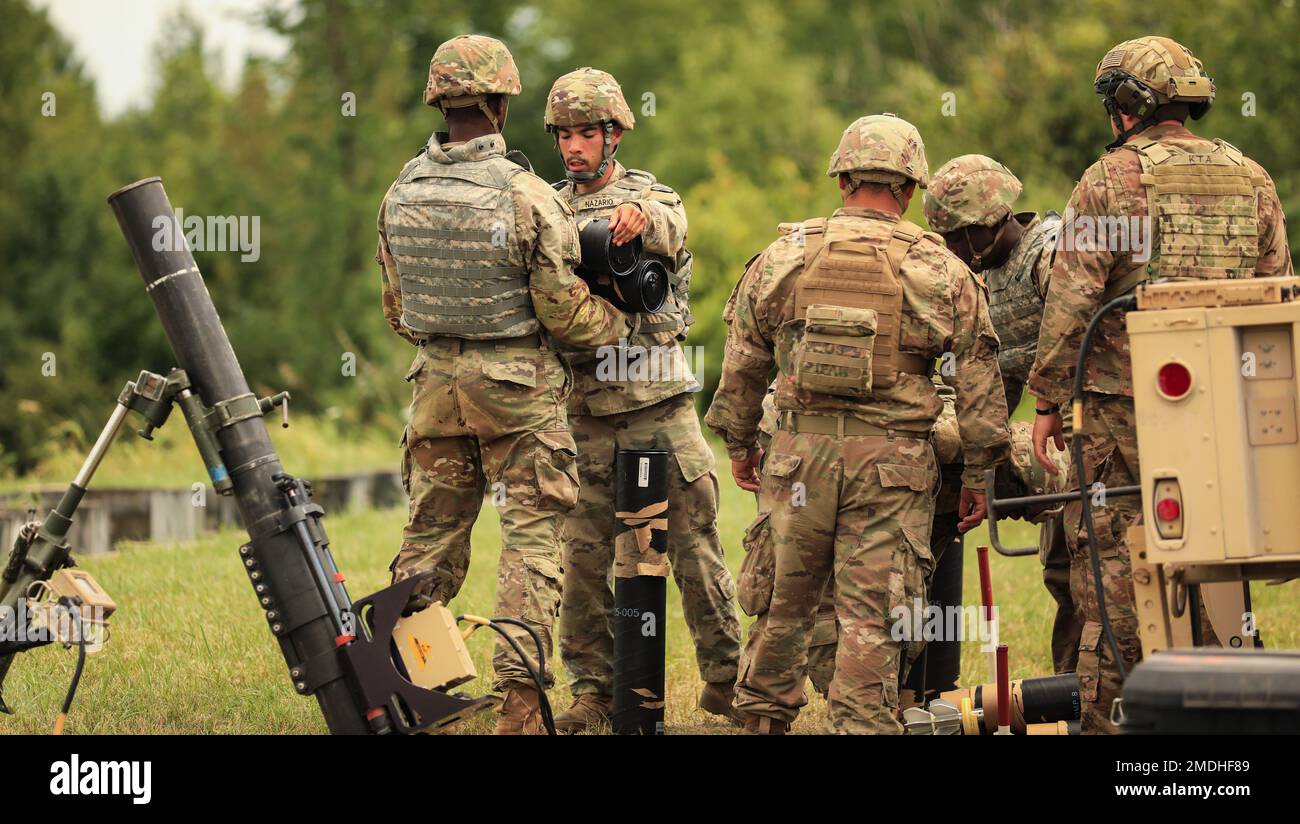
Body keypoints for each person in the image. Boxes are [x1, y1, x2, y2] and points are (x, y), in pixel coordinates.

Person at [706, 113, 1010, 733]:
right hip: (893, 468)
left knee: (784, 600)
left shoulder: (784, 255)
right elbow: (978, 381)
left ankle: (762, 715)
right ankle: (863, 723)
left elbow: (742, 363)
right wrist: (979, 472)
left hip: (797, 458)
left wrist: (740, 443)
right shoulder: (942, 270)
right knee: (873, 613)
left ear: (843, 178)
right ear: (910, 190)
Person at [1028, 36, 1292, 732]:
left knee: (1113, 577)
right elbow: (1274, 304)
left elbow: (1071, 306)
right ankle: (1220, 723)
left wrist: (1049, 399)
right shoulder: (1254, 179)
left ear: (1125, 105)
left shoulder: (1109, 181)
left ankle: (1114, 724)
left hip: (1125, 418)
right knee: (1216, 569)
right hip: (1225, 417)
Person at [375, 36, 632, 735]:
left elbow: (398, 309)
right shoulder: (522, 194)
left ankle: (406, 695)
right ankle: (519, 710)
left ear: (441, 101)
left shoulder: (401, 190)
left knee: (429, 540)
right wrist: (618, 324)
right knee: (530, 545)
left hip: (434, 388)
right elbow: (563, 313)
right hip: (518, 391)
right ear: (500, 102)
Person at [539, 67, 742, 732]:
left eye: (587, 133)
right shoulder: (546, 206)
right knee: (583, 560)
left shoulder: (652, 195)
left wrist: (640, 220)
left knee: (696, 550)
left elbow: (672, 227)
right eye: (565, 134)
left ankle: (724, 682)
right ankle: (593, 692)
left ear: (615, 134)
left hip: (659, 409)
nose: (574, 147)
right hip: (586, 413)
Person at [923, 155, 1080, 673]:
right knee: (1064, 568)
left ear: (983, 226)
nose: (948, 250)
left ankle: (1094, 693)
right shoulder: (983, 276)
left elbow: (1080, 333)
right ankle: (1079, 692)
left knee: (1086, 566)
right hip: (1054, 433)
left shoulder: (1051, 253)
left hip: (1090, 428)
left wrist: (1050, 404)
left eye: (952, 237)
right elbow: (994, 373)